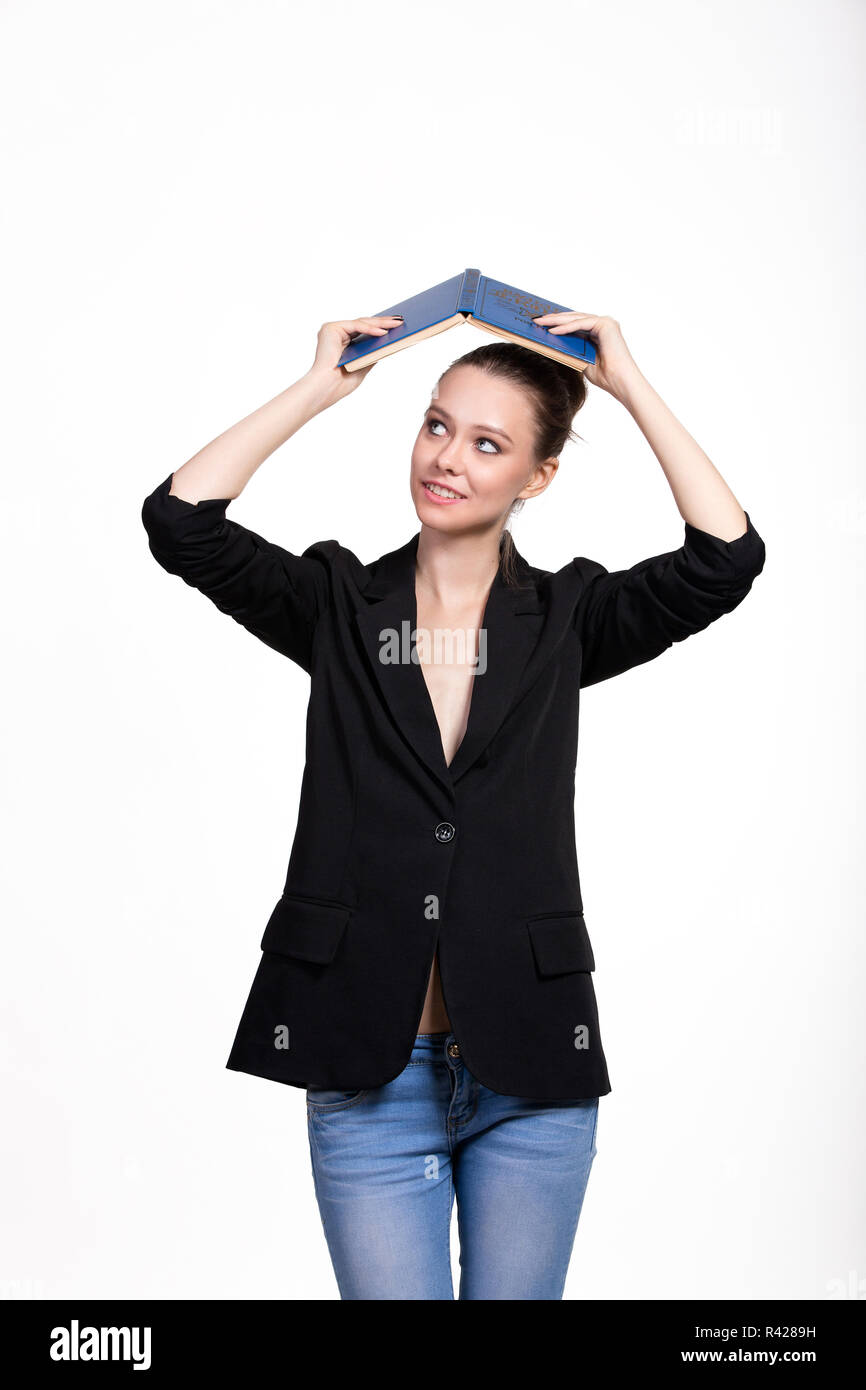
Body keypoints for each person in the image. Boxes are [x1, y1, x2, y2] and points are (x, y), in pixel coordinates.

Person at [141, 308, 766, 1299]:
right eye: (436, 425)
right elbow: (179, 522)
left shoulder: (567, 619)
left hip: (529, 1074)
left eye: (487, 443)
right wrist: (319, 385)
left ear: (538, 475)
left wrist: (628, 384)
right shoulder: (338, 604)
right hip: (368, 1069)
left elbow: (723, 559)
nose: (446, 457)